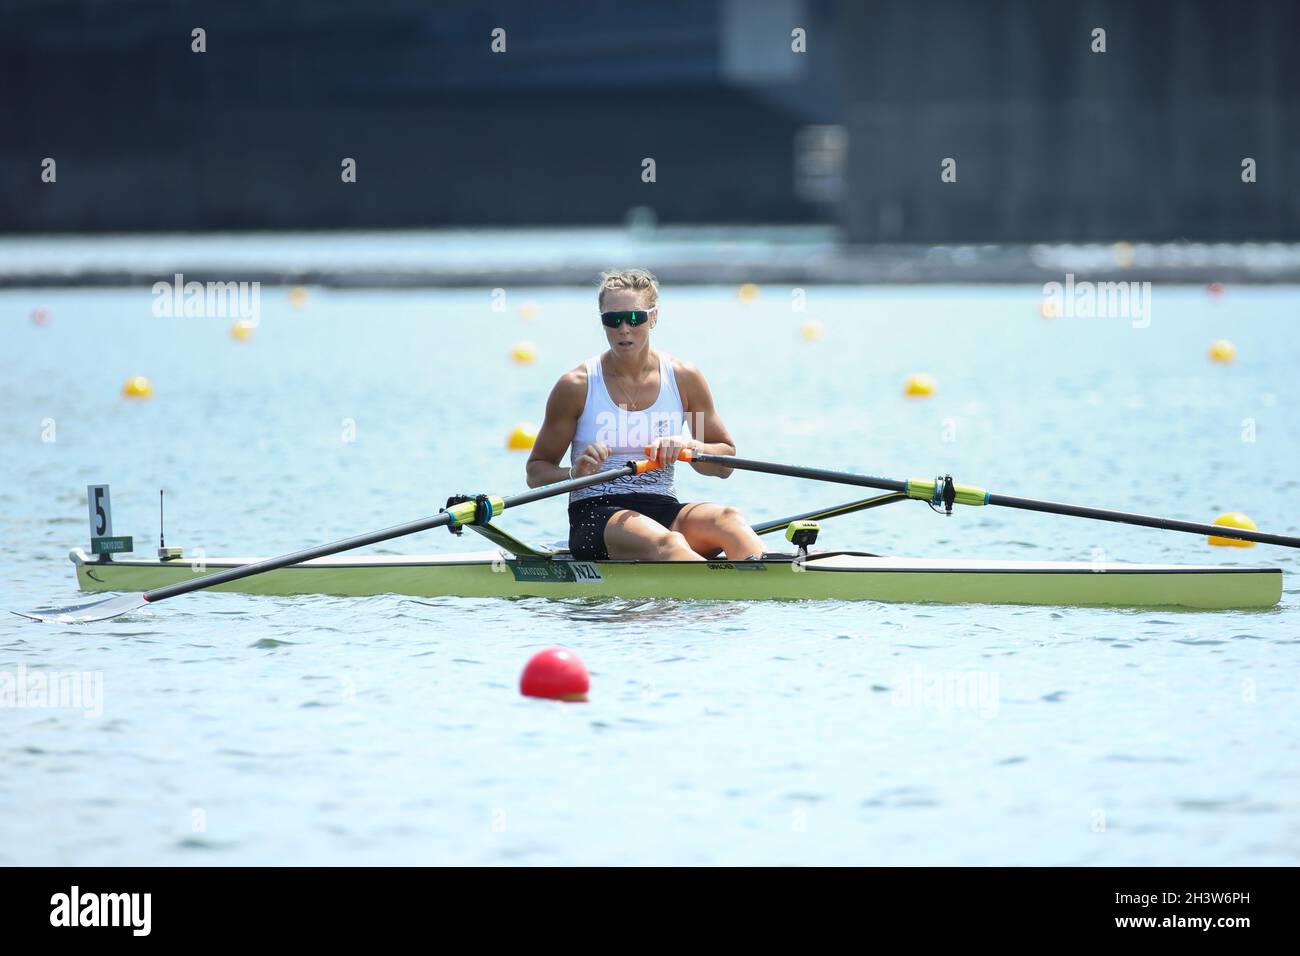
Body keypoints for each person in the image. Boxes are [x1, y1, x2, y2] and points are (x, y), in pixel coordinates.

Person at [526, 268, 766, 562]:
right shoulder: (577, 386)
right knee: (669, 543)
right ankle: (722, 596)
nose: (624, 329)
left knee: (729, 520)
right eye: (612, 320)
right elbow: (536, 472)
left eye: (635, 318)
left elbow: (723, 463)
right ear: (602, 322)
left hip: (663, 507)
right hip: (596, 514)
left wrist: (690, 447)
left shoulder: (683, 378)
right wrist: (575, 474)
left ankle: (768, 593)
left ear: (653, 317)